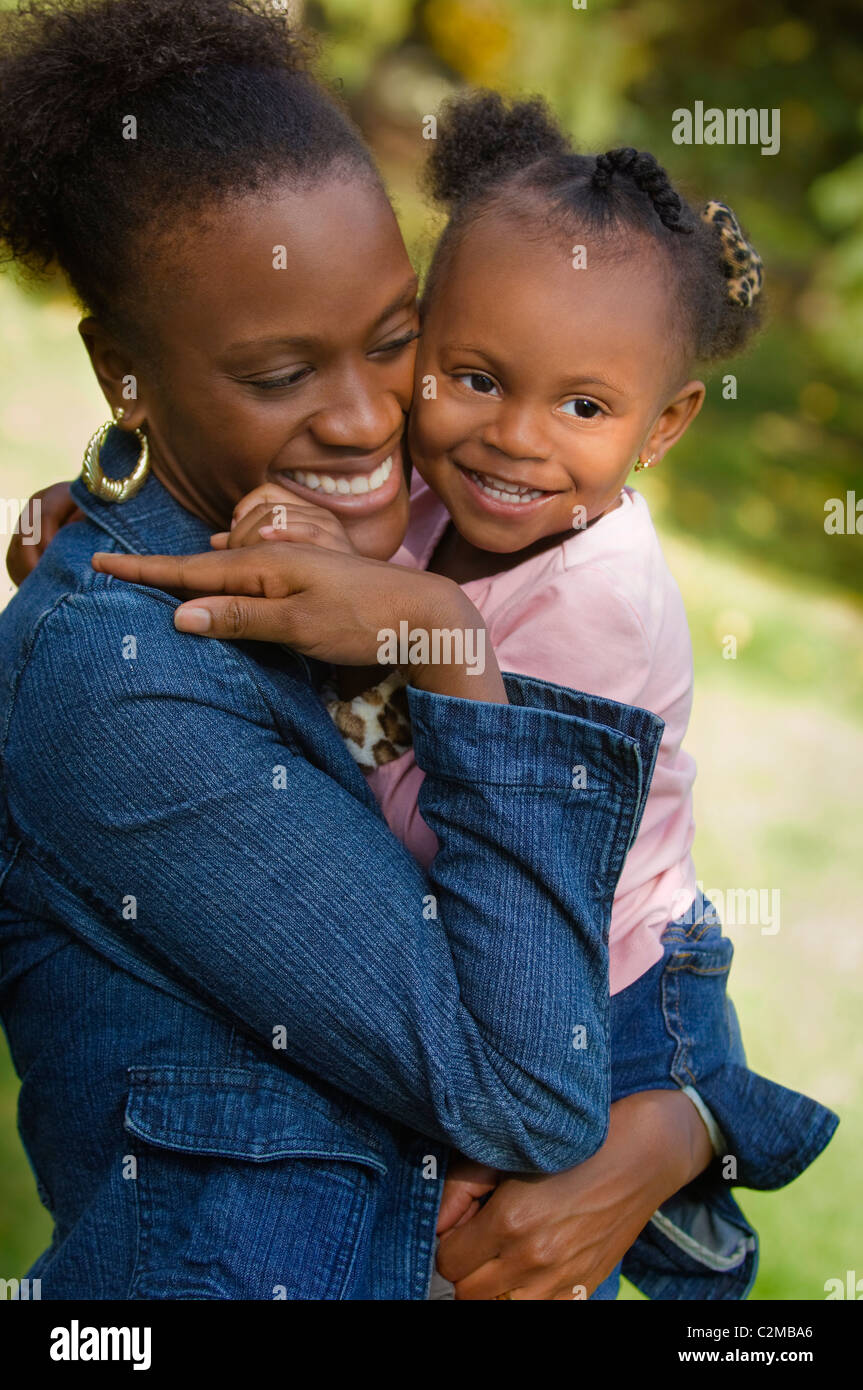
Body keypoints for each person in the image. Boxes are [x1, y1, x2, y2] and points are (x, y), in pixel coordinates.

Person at [0, 0, 709, 1301]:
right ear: (125, 375)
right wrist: (444, 643)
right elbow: (528, 1092)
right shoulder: (124, 686)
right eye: (279, 373)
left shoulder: (472, 560)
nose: (363, 415)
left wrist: (683, 1122)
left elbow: (647, 933)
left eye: (393, 340)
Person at [84, 94, 840, 1299]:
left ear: (663, 426)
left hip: (624, 970)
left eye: (582, 407)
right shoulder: (437, 495)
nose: (513, 441)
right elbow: (326, 562)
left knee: (505, 1205)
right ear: (424, 341)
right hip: (525, 947)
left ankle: (694, 1182)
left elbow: (489, 847)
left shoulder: (592, 609)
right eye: (475, 377)